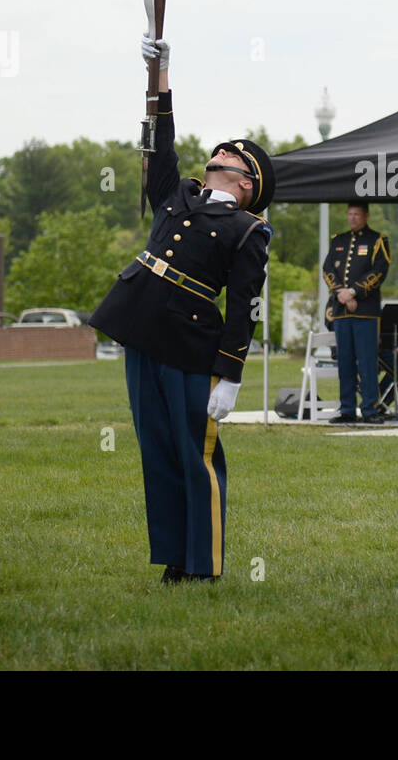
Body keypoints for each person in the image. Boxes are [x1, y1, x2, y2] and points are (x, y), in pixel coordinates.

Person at [89, 34, 272, 585]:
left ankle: (205, 562)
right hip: (141, 327)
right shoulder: (176, 195)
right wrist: (159, 77)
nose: (219, 153)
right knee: (158, 451)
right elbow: (160, 144)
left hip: (190, 343)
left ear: (245, 183)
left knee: (196, 454)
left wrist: (230, 376)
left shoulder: (247, 230)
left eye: (232, 155)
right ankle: (173, 557)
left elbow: (245, 306)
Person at [322, 202, 392, 423]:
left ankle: (370, 410)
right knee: (345, 362)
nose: (352, 218)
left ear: (366, 215)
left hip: (366, 313)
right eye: (350, 214)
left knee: (367, 361)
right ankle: (347, 410)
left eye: (356, 214)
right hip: (341, 311)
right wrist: (340, 293)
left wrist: (354, 292)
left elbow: (380, 271)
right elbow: (328, 269)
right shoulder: (338, 240)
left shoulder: (378, 240)